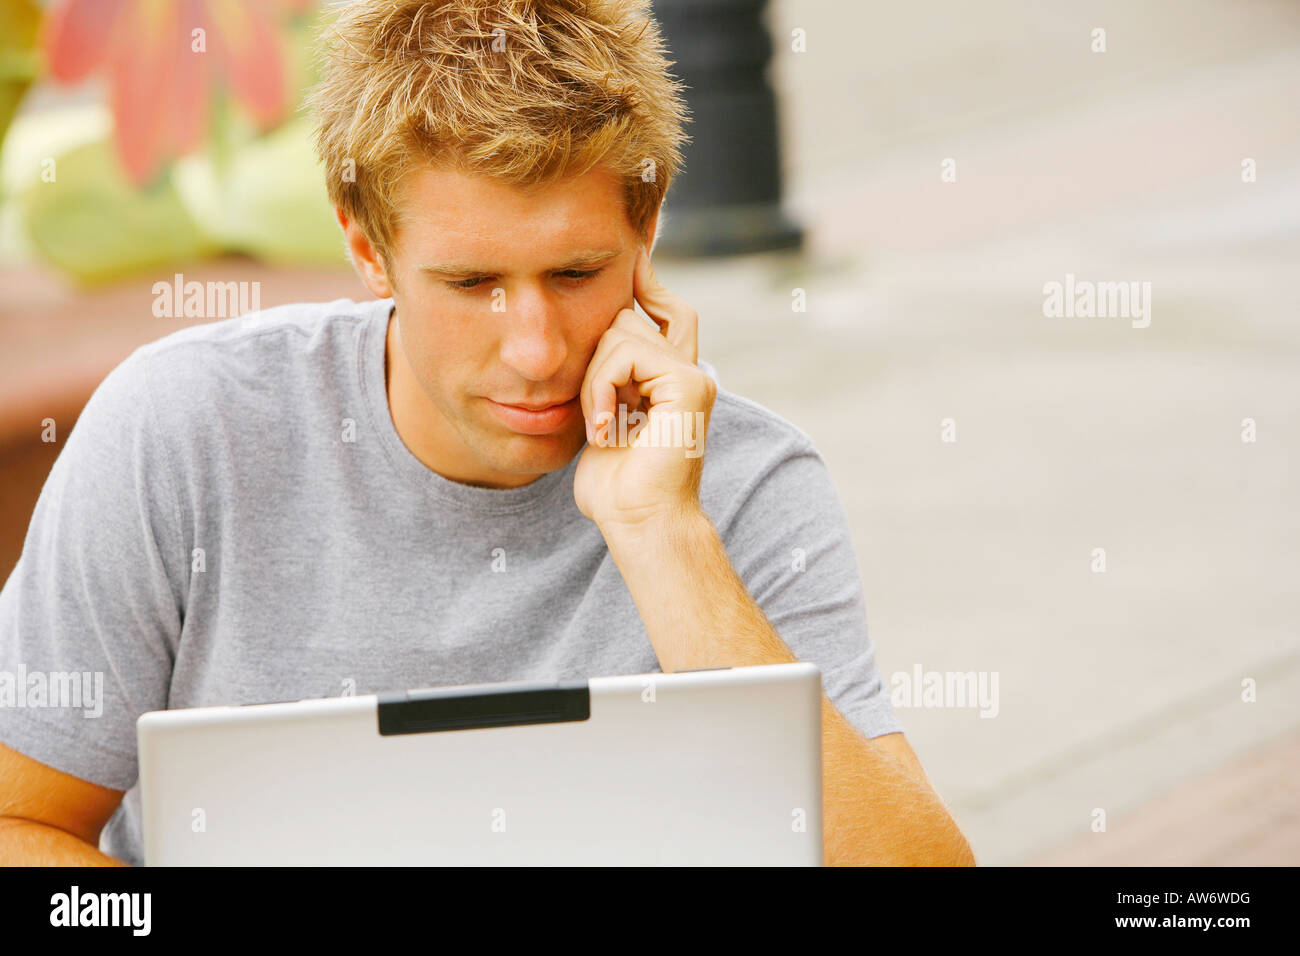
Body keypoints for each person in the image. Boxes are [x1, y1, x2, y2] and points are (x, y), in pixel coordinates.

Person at [0, 0, 973, 866]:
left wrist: (661, 532)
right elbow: (16, 823)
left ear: (649, 233)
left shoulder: (744, 479)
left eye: (577, 273)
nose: (536, 350)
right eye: (472, 285)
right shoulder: (182, 432)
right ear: (364, 248)